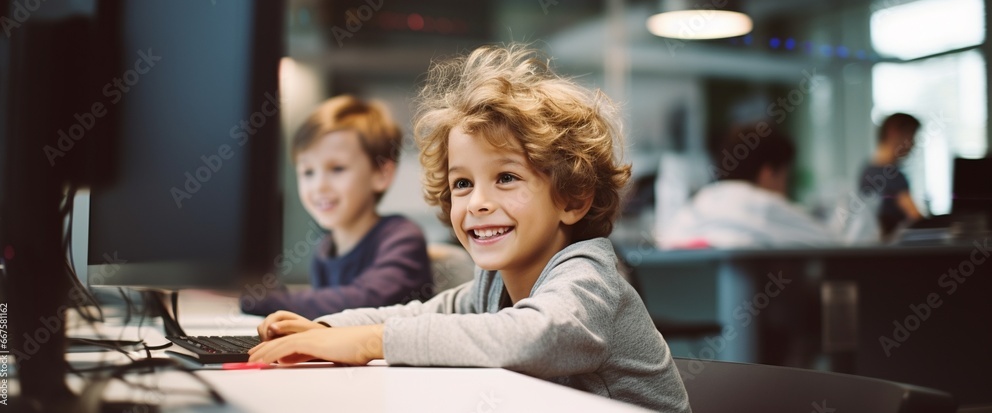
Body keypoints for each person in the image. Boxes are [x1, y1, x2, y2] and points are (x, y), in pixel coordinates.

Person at [247, 44, 691, 412]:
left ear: (572, 199)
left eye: (507, 177)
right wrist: (322, 330)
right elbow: (416, 315)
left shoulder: (589, 277)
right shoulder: (492, 285)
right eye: (463, 183)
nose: (477, 202)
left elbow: (536, 339)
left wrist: (369, 342)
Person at [240, 95, 433, 319]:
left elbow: (364, 300)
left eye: (337, 168)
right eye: (308, 172)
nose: (319, 186)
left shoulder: (402, 237)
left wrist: (266, 300)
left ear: (382, 173)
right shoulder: (325, 250)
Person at [658, 124, 847, 249]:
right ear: (768, 174)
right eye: (785, 177)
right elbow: (830, 242)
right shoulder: (766, 206)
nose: (785, 189)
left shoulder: (699, 203)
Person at [859, 113, 923, 238]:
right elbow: (916, 217)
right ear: (894, 132)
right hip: (895, 249)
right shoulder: (893, 175)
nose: (913, 144)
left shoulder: (866, 170)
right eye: (911, 136)